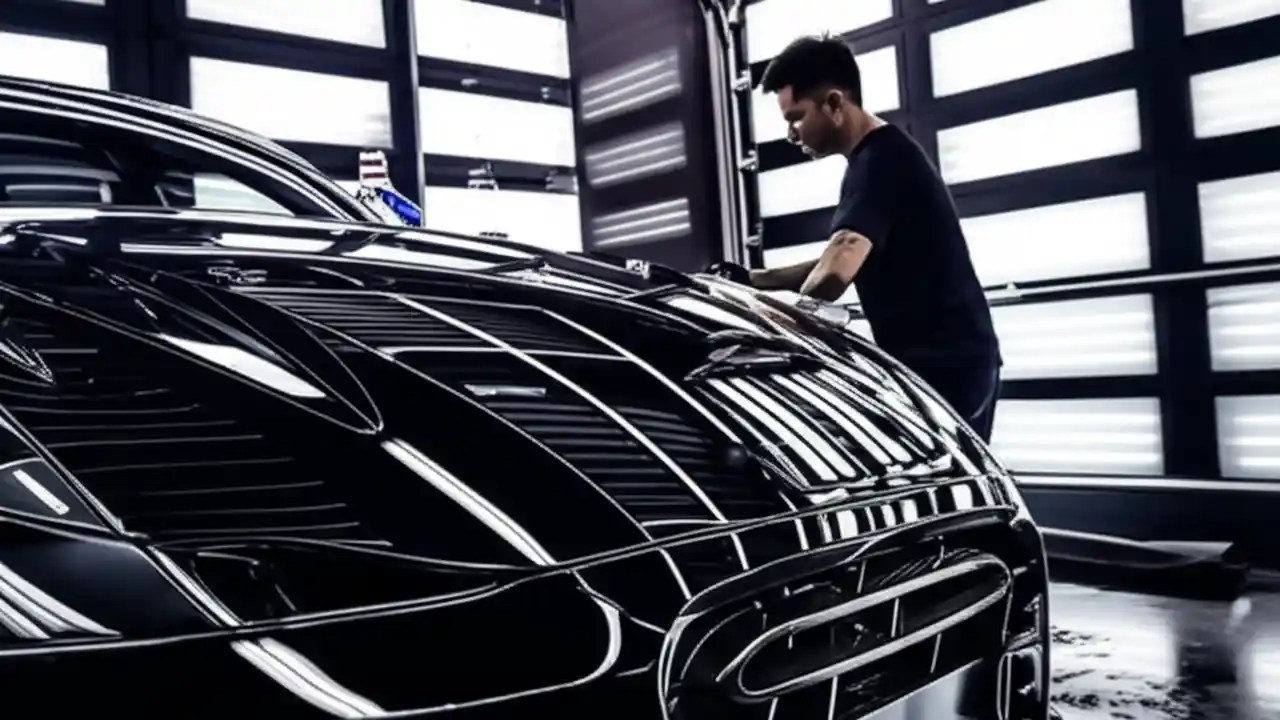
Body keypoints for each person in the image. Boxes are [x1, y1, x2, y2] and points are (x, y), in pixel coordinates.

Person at [708, 35, 1002, 442]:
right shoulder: (882, 155)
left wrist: (773, 329)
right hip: (954, 362)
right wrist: (752, 280)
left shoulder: (880, 161)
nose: (791, 134)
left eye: (796, 117)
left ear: (833, 103)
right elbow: (839, 259)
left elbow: (837, 268)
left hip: (944, 369)